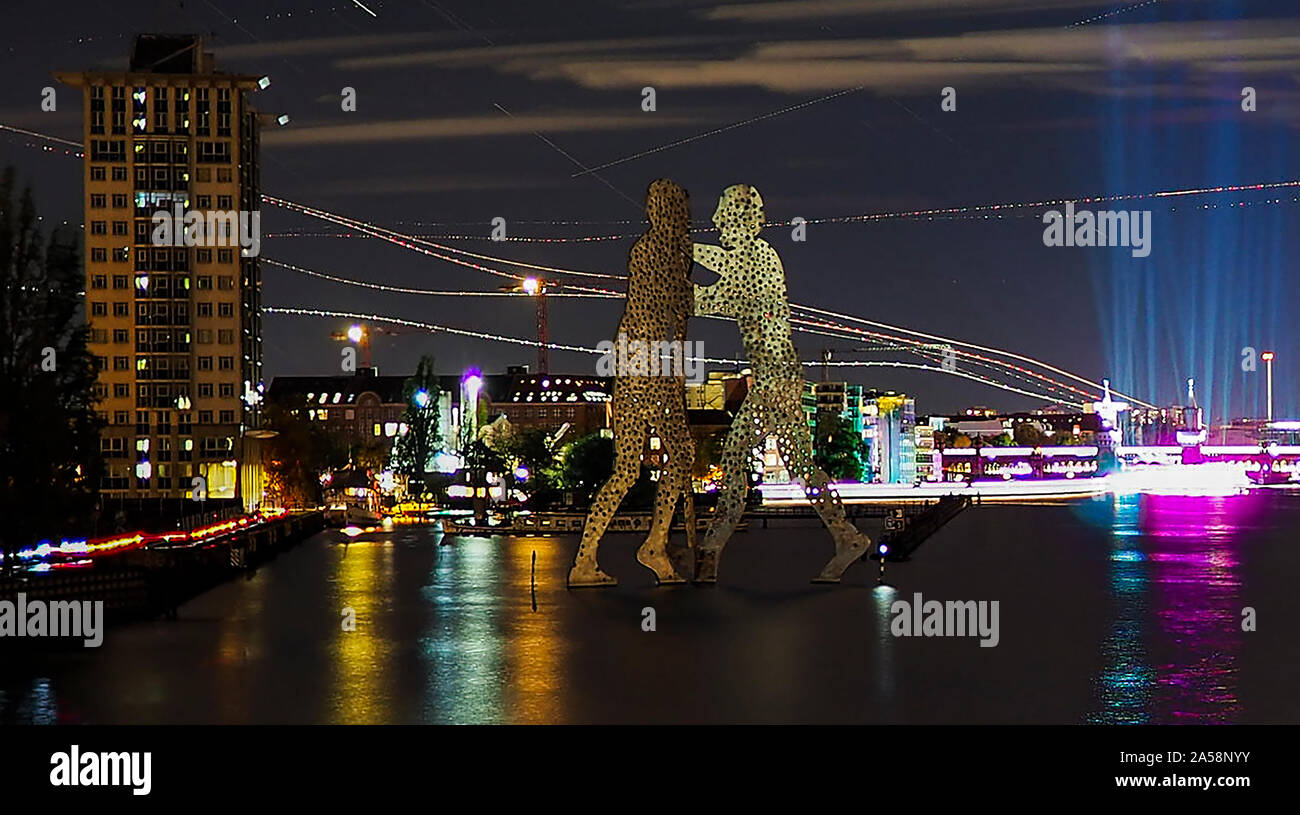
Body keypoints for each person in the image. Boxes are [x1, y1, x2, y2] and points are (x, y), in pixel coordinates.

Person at [691, 184, 871, 582]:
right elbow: (720, 272)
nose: (717, 220)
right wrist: (681, 253)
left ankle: (710, 553)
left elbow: (711, 299)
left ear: (745, 220)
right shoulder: (750, 258)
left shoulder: (760, 258)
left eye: (724, 213)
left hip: (775, 378)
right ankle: (847, 537)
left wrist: (677, 254)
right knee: (796, 466)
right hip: (780, 375)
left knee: (738, 461)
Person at [568, 179, 696, 587]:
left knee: (625, 469)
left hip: (633, 368)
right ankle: (655, 544)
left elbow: (666, 314)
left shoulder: (652, 250)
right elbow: (671, 316)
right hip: (650, 369)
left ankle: (585, 560)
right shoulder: (665, 253)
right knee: (681, 456)